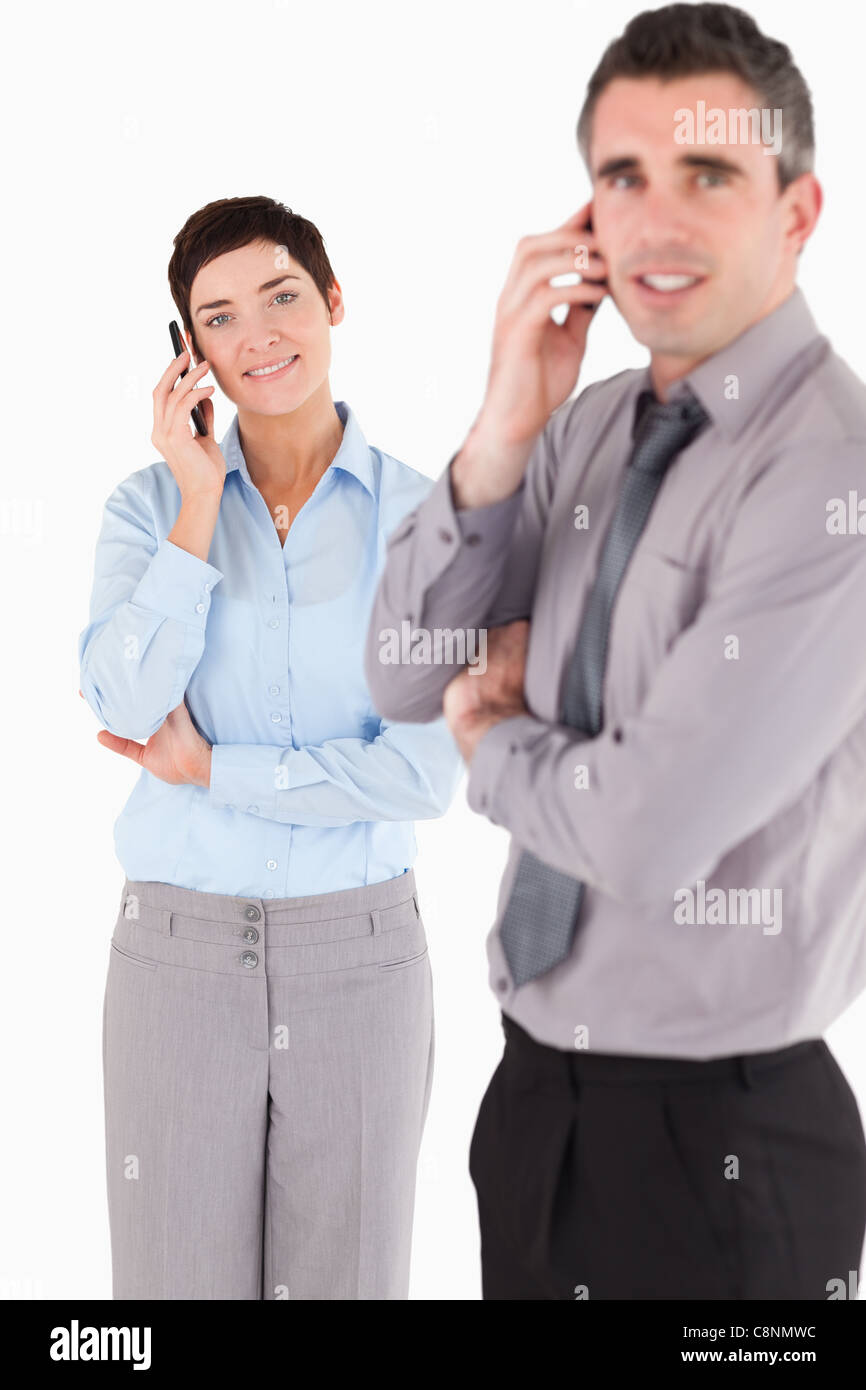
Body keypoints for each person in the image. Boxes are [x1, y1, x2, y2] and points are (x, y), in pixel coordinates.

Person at [364, 4, 866, 1300]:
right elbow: (404, 670)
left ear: (795, 212)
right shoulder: (582, 427)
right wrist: (497, 430)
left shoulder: (830, 474)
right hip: (535, 1102)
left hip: (724, 1149)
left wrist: (491, 735)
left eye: (706, 175)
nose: (656, 219)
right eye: (620, 177)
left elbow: (647, 833)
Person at [78, 194, 463, 1300]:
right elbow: (121, 697)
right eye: (220, 317)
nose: (259, 336)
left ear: (333, 301)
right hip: (176, 958)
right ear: (187, 352)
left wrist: (214, 771)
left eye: (283, 295)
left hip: (361, 958)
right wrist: (200, 505)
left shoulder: (422, 524)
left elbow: (419, 772)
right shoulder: (146, 511)